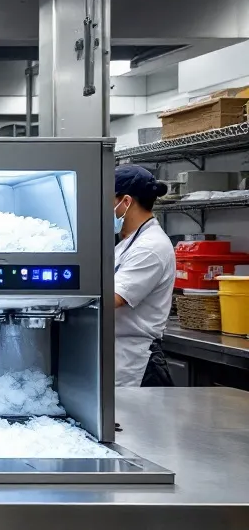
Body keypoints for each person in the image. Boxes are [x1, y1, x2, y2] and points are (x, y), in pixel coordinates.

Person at [113, 164, 176, 387]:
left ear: (126, 201)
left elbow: (114, 298)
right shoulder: (130, 242)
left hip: (135, 363)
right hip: (120, 356)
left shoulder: (150, 247)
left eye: (107, 200)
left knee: (133, 422)